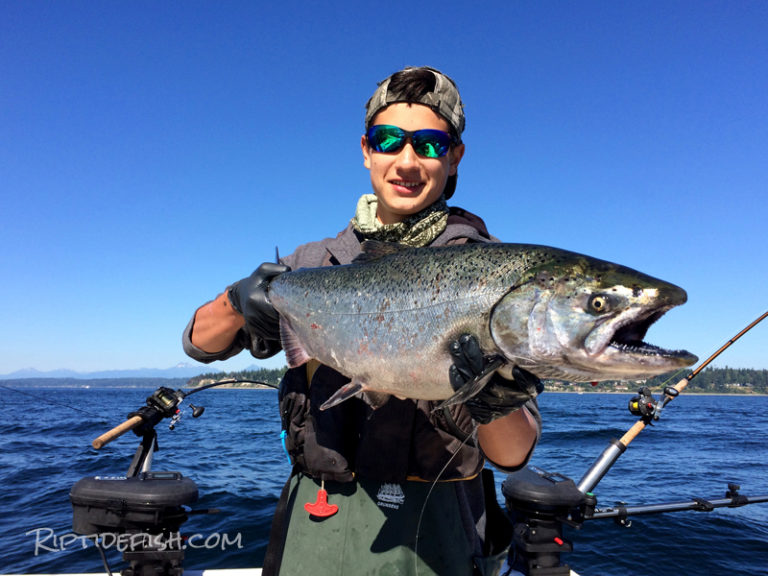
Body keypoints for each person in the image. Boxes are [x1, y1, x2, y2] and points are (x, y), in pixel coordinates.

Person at [183, 66, 543, 576]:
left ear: (455, 155)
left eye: (429, 144)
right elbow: (199, 343)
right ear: (366, 149)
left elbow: (513, 455)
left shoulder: (493, 278)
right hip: (317, 514)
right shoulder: (311, 264)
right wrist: (238, 299)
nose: (407, 161)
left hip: (439, 526)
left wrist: (491, 402)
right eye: (389, 140)